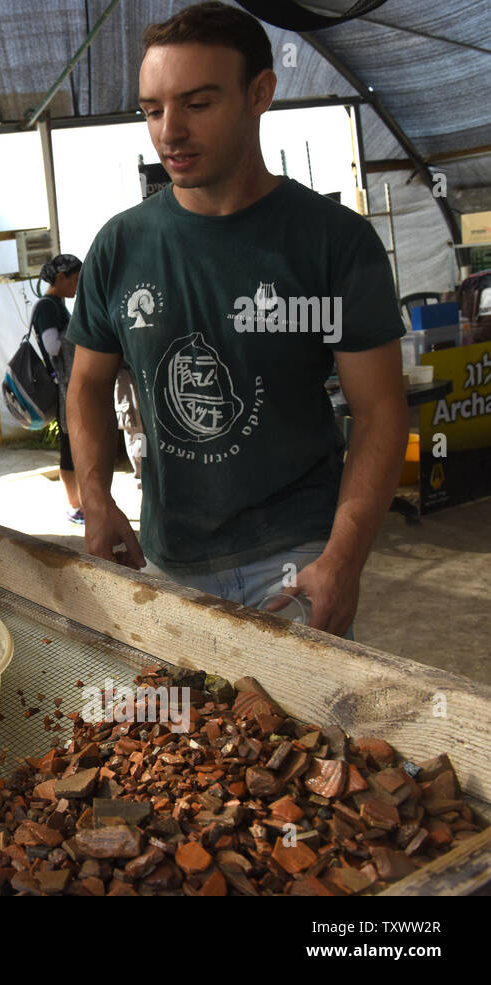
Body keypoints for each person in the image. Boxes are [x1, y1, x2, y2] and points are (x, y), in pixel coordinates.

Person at [65, 1, 407, 637]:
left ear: (260, 93)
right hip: (167, 557)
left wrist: (343, 559)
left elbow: (381, 408)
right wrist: (95, 497)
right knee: (186, 733)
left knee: (299, 735)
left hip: (296, 555)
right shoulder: (120, 245)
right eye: (151, 109)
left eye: (197, 104)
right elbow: (86, 384)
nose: (170, 131)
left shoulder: (332, 241)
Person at [32, 254, 84, 523]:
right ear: (61, 277)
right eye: (74, 279)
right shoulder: (47, 307)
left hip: (69, 384)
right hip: (63, 385)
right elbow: (52, 347)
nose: (77, 285)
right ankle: (74, 506)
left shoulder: (56, 304)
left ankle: (80, 504)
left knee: (75, 444)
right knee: (69, 446)